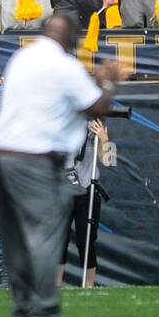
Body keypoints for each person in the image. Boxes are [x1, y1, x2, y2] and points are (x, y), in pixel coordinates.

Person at [0, 14, 125, 317]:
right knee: (46, 235)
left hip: (0, 155)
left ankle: (22, 314)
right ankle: (45, 315)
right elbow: (97, 107)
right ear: (70, 41)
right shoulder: (65, 66)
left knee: (17, 240)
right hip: (34, 158)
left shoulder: (20, 58)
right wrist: (107, 79)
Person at [61, 119, 111, 288]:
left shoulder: (95, 124)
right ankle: (55, 285)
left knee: (87, 240)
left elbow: (109, 161)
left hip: (87, 191)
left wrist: (103, 138)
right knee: (59, 240)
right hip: (62, 190)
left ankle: (88, 286)